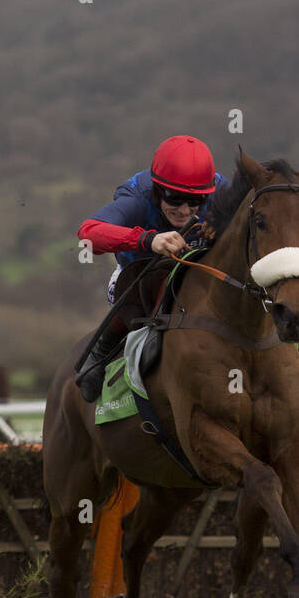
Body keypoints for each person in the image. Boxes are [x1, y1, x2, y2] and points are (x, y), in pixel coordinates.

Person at [73, 135, 228, 402]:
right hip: (138, 276)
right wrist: (148, 239)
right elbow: (88, 233)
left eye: (196, 203)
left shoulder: (221, 191)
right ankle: (99, 353)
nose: (184, 210)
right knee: (142, 292)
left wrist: (222, 222)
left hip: (196, 274)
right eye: (175, 199)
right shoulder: (136, 198)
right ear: (158, 190)